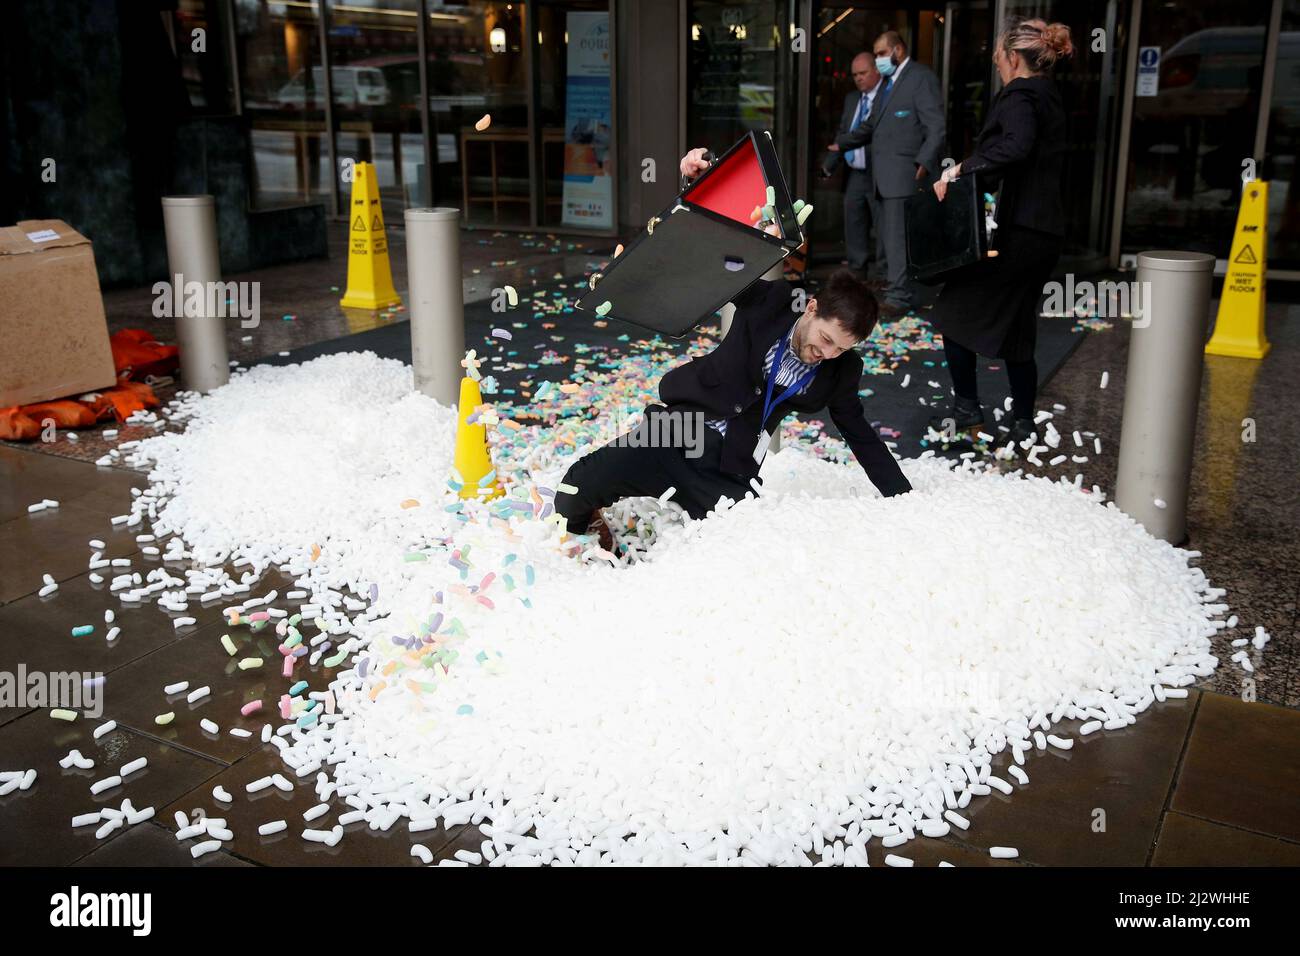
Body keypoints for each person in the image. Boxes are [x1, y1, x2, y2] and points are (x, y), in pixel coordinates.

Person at [553, 150, 913, 548]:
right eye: (827, 340)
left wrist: (905, 499)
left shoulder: (842, 369)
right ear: (812, 308)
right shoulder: (774, 302)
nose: (827, 354)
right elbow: (715, 260)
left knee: (747, 550)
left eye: (842, 350)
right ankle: (594, 534)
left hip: (730, 465)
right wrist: (695, 186)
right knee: (573, 491)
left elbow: (860, 434)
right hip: (677, 429)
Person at [926, 17, 1074, 447]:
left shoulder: (1020, 95)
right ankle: (1024, 422)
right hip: (1045, 233)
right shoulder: (1049, 96)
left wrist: (960, 169)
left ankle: (967, 408)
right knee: (1017, 327)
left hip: (1023, 233)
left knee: (953, 312)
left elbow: (1014, 147)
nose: (998, 68)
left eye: (998, 60)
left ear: (1013, 58)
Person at [828, 31, 945, 318]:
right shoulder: (890, 85)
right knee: (891, 239)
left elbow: (936, 126)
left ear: (898, 50)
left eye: (881, 53)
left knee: (896, 239)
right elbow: (870, 126)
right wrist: (843, 143)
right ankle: (898, 291)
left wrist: (925, 162)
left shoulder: (920, 78)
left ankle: (898, 297)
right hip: (884, 176)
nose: (879, 59)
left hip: (905, 173)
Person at [822, 53, 884, 285]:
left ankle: (883, 275)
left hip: (878, 171)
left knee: (882, 225)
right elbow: (843, 133)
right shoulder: (851, 99)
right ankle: (858, 274)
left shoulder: (887, 96)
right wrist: (830, 164)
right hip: (855, 172)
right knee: (854, 221)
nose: (858, 79)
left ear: (876, 71)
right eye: (855, 75)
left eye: (863, 73)